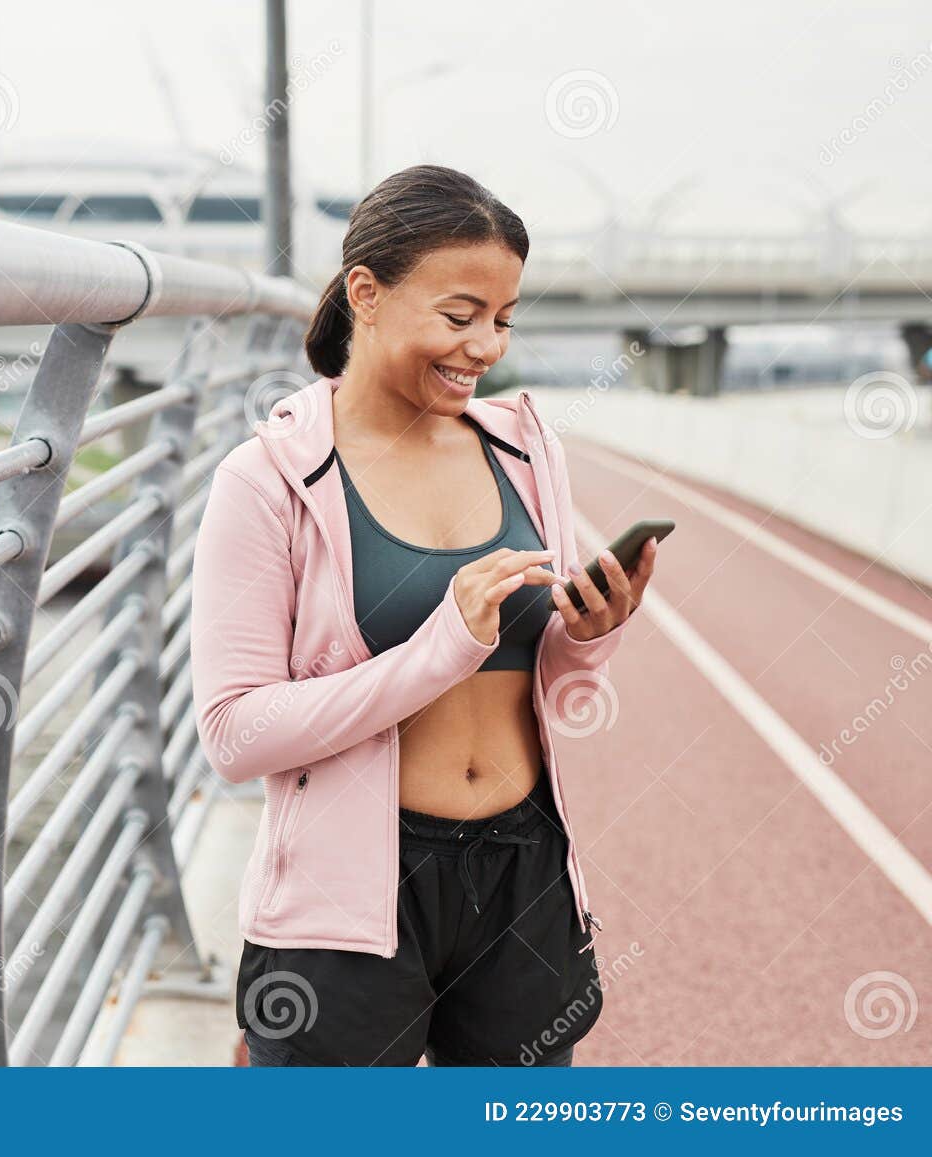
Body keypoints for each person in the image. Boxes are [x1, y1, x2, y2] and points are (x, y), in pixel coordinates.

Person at [189, 165, 657, 1067]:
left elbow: (539, 675)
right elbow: (235, 734)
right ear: (366, 294)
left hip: (523, 868)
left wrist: (587, 635)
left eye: (503, 319)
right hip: (349, 891)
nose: (485, 347)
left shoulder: (527, 452)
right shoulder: (267, 480)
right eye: (459, 315)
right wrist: (442, 646)